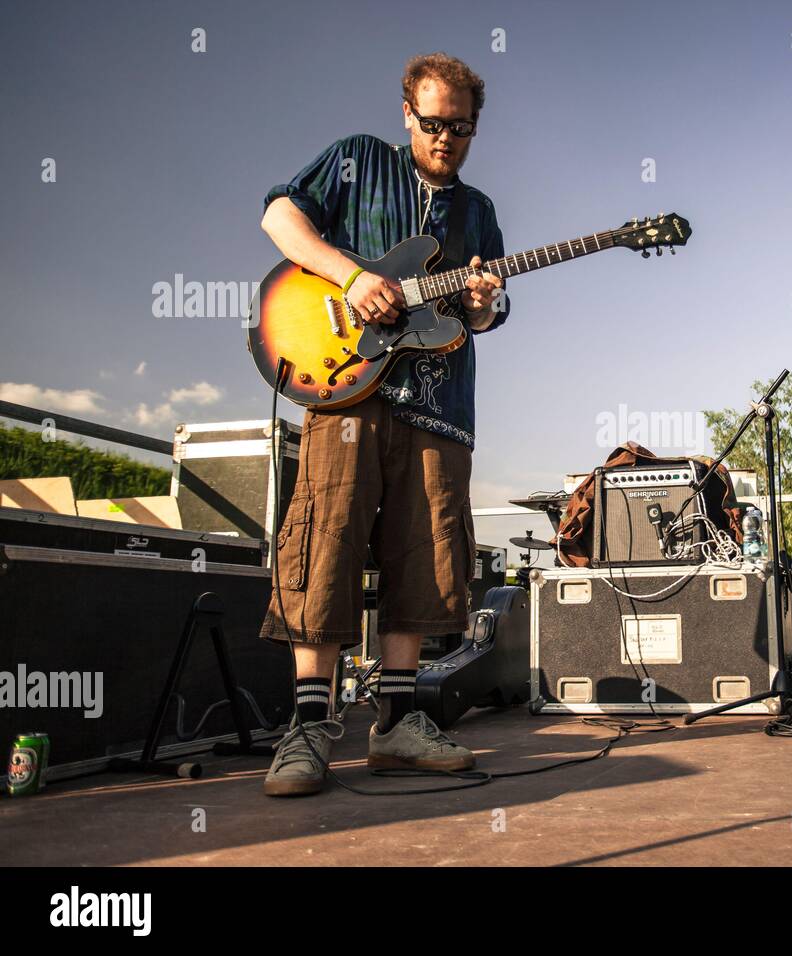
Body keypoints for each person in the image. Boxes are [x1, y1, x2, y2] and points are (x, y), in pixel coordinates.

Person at [257, 53, 508, 797]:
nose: (445, 139)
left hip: (438, 406)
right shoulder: (357, 161)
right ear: (408, 113)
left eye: (460, 128)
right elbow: (279, 214)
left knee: (425, 550)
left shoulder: (479, 212)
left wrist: (484, 301)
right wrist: (352, 277)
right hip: (344, 389)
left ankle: (397, 724)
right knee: (323, 536)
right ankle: (307, 728)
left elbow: (485, 318)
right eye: (432, 124)